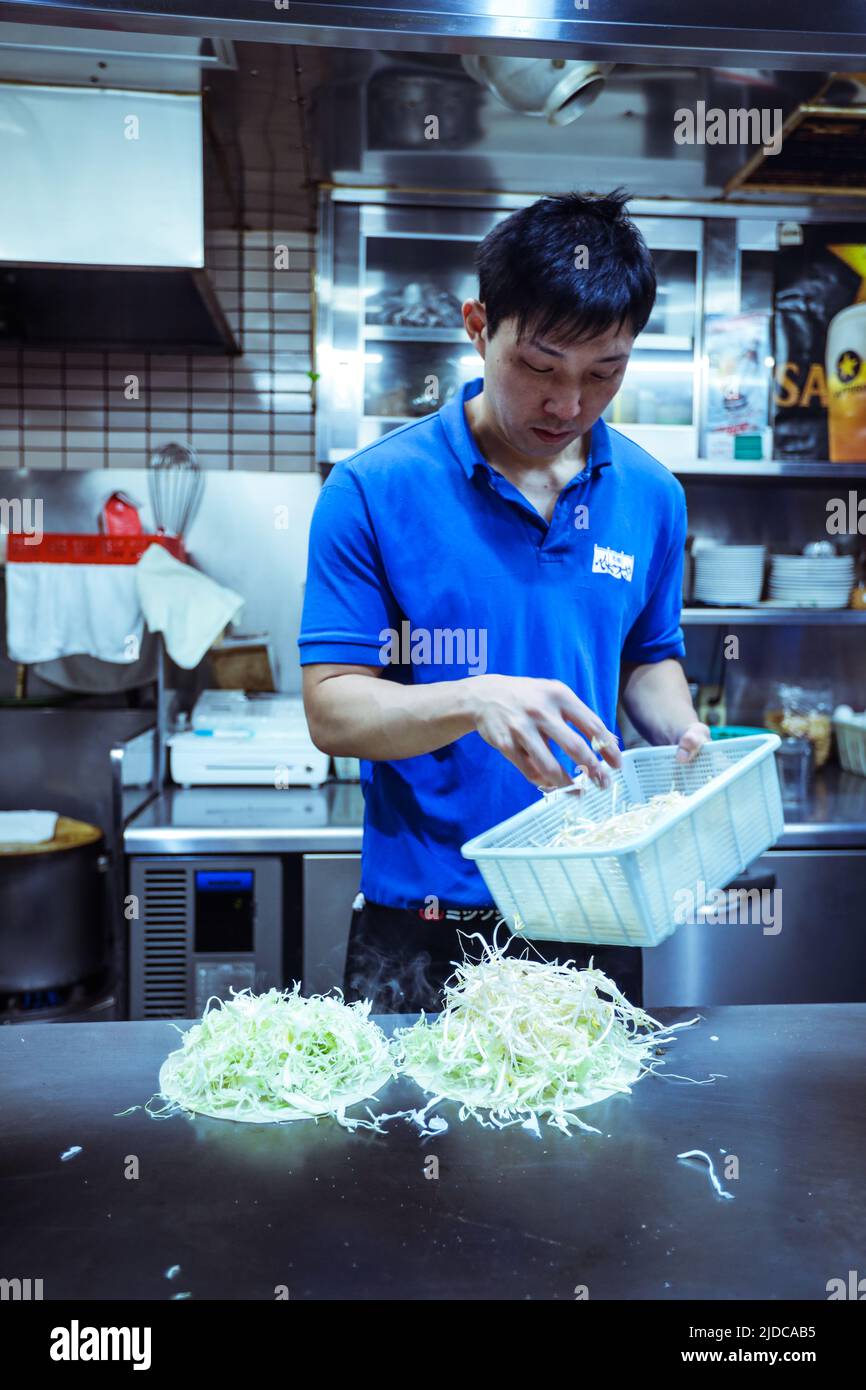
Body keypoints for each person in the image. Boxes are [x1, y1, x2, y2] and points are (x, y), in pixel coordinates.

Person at [299, 190, 709, 1012]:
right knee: (410, 1141)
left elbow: (645, 655)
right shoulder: (373, 490)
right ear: (478, 326)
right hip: (424, 922)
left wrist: (682, 729)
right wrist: (474, 699)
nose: (569, 405)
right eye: (540, 366)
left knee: (598, 1138)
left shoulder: (652, 494)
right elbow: (333, 711)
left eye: (605, 373)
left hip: (592, 904)